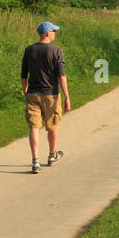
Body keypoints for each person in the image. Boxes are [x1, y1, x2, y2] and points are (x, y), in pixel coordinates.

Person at [20, 21, 72, 173]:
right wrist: (67, 96)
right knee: (52, 125)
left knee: (34, 127)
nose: (55, 33)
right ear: (47, 33)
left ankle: (35, 161)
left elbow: (24, 75)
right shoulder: (56, 50)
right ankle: (51, 155)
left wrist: (25, 91)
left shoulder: (29, 50)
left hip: (33, 94)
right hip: (51, 94)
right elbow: (61, 76)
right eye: (53, 31)